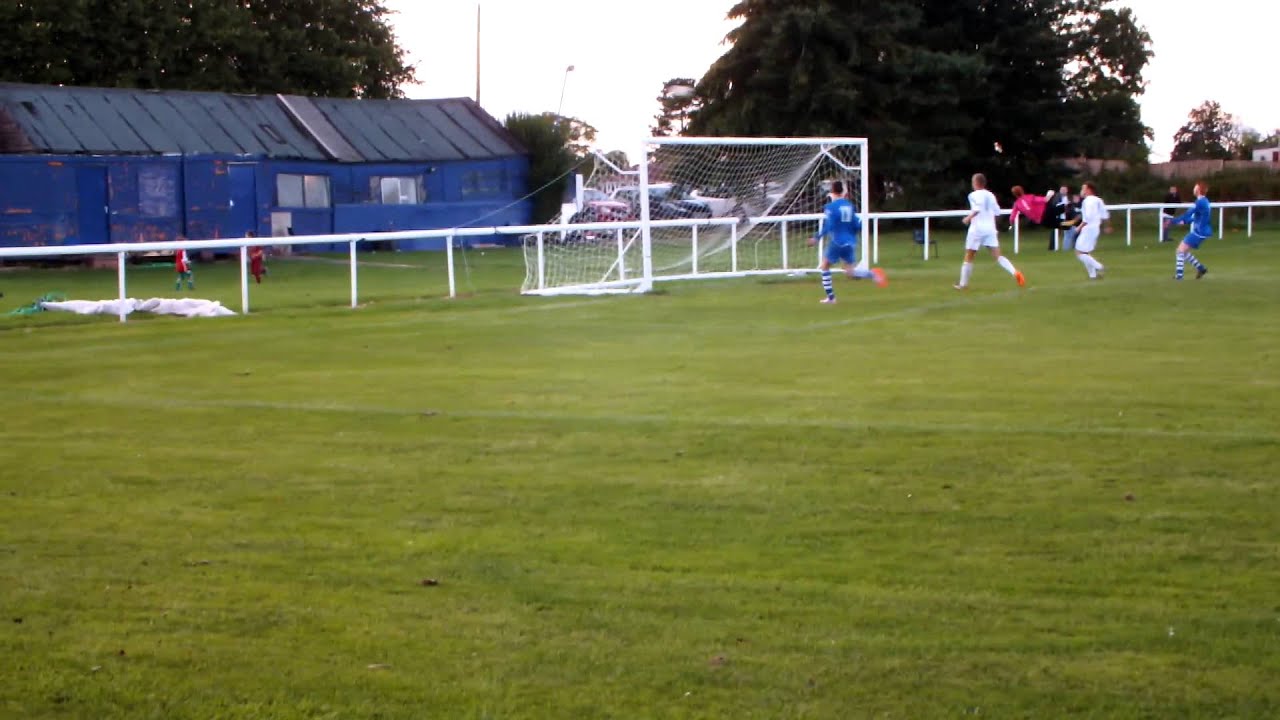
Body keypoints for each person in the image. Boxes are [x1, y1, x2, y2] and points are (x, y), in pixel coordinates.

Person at [808, 180, 887, 304]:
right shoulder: (850, 206)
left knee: (825, 266)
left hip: (837, 241)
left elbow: (829, 225)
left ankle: (831, 298)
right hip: (850, 242)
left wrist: (817, 237)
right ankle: (873, 274)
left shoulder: (830, 207)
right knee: (851, 272)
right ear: (842, 191)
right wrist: (851, 236)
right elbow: (857, 224)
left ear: (832, 191)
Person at [956, 173, 1026, 290]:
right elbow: (997, 211)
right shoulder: (990, 195)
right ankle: (1015, 272)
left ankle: (963, 284)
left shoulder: (973, 195)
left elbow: (977, 208)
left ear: (975, 183)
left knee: (969, 256)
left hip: (977, 229)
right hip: (990, 229)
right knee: (998, 256)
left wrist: (968, 218)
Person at [1166, 181, 1212, 280]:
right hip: (1203, 231)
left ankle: (1179, 276)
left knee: (1180, 251)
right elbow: (1197, 217)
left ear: (1198, 190)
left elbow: (1187, 214)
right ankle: (1201, 269)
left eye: (1195, 187)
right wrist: (1185, 221)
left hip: (1199, 232)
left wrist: (1172, 221)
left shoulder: (1199, 202)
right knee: (1184, 251)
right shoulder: (1205, 201)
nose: (1193, 189)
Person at [1074, 182, 1110, 280]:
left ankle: (1099, 266)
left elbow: (1088, 217)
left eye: (1083, 189)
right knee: (1085, 253)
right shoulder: (1098, 200)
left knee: (1079, 253)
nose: (1081, 191)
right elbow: (1105, 215)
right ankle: (1093, 276)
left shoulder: (1087, 201)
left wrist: (1079, 227)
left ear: (1088, 190)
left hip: (1088, 229)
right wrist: (1107, 226)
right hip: (1095, 229)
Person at [1009, 185, 1056, 250]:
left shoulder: (1017, 204)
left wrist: (1011, 225)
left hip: (1037, 219)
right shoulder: (1030, 197)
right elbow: (1045, 200)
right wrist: (1050, 194)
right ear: (1022, 191)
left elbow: (1012, 217)